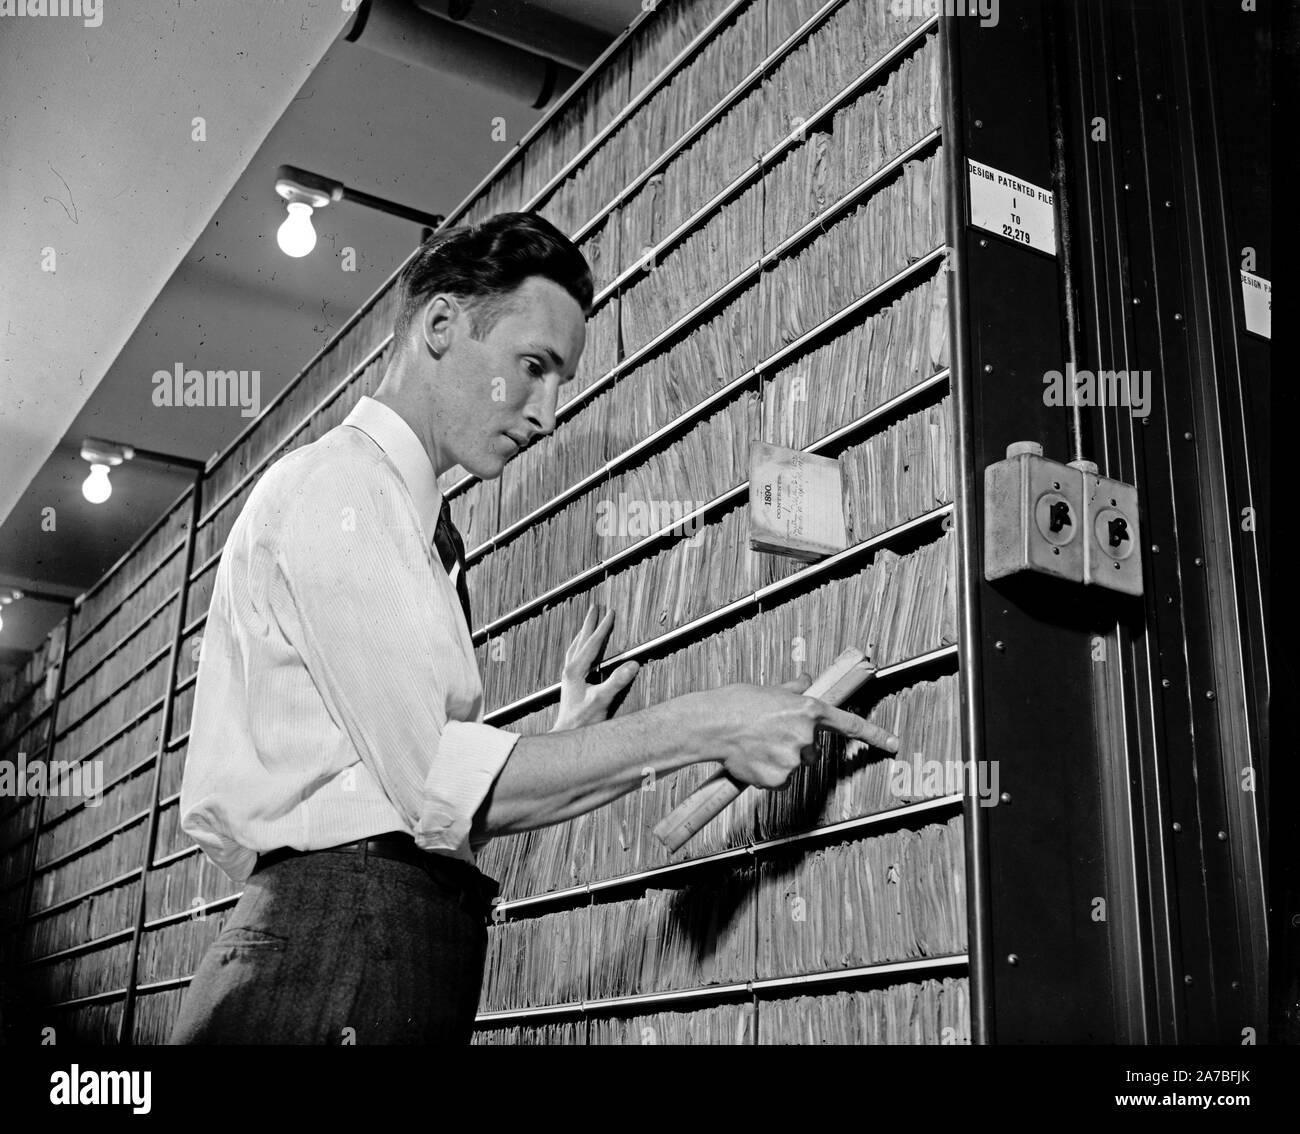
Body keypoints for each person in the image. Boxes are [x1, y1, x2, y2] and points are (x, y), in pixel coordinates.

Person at [169, 211, 898, 1044]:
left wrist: (562, 745)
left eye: (560, 382)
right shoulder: (343, 491)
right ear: (441, 324)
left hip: (351, 938)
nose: (547, 413)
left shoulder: (398, 517)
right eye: (533, 366)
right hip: (337, 951)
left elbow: (404, 796)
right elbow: (433, 782)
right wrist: (706, 722)